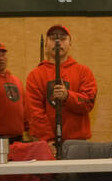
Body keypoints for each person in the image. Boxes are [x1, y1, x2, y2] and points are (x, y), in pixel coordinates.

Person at [25, 23, 97, 151]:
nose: (58, 42)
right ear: (46, 44)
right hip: (47, 145)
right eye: (53, 38)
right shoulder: (35, 75)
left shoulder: (83, 72)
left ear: (70, 44)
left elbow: (88, 102)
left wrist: (68, 96)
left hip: (78, 143)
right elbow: (34, 112)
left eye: (63, 38)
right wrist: (47, 139)